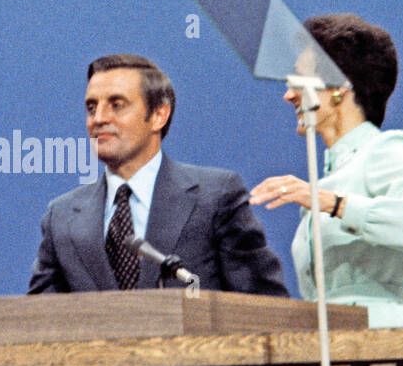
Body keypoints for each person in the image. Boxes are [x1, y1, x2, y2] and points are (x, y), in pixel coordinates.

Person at [250, 14, 403, 327]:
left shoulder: (386, 149)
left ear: (339, 88)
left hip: (380, 343)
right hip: (323, 344)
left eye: (299, 81)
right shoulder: (326, 178)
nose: (288, 95)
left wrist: (334, 203)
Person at [29, 54, 288, 295]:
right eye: (91, 107)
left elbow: (265, 306)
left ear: (158, 115)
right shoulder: (61, 218)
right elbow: (39, 321)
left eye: (117, 105)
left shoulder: (215, 198)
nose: (99, 118)